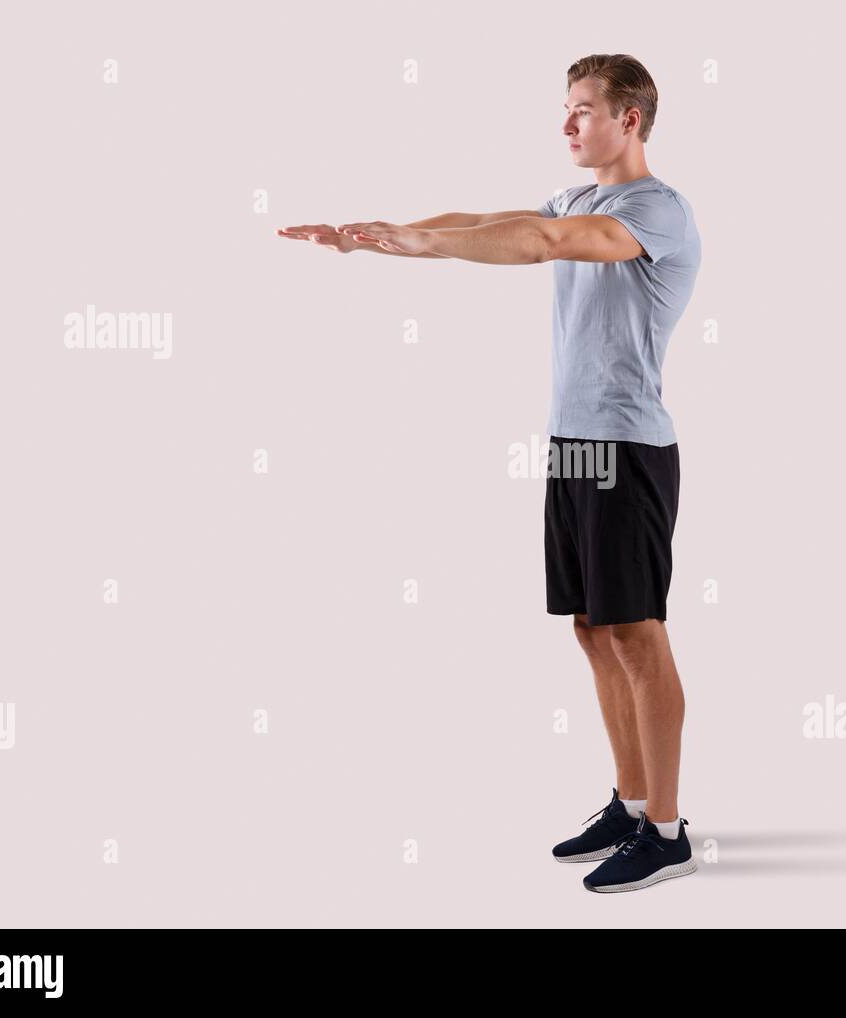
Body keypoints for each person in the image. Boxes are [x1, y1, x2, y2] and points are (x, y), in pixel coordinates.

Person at [277, 54, 702, 893]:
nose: (568, 123)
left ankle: (668, 828)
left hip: (627, 448)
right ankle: (630, 798)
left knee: (635, 629)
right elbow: (490, 217)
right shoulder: (580, 196)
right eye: (566, 108)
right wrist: (390, 235)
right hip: (574, 441)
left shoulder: (656, 211)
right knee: (589, 625)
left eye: (584, 110)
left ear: (632, 121)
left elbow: (541, 245)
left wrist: (420, 240)